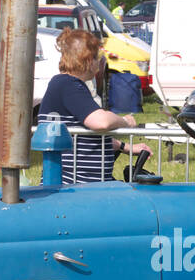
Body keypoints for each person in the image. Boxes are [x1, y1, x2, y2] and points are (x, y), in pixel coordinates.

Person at [37, 29, 150, 184]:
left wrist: (125, 147)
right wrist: (126, 122)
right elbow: (100, 122)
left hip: (83, 183)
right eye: (97, 57)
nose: (99, 62)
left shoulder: (66, 85)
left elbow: (83, 137)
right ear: (89, 60)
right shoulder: (68, 85)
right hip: (74, 185)